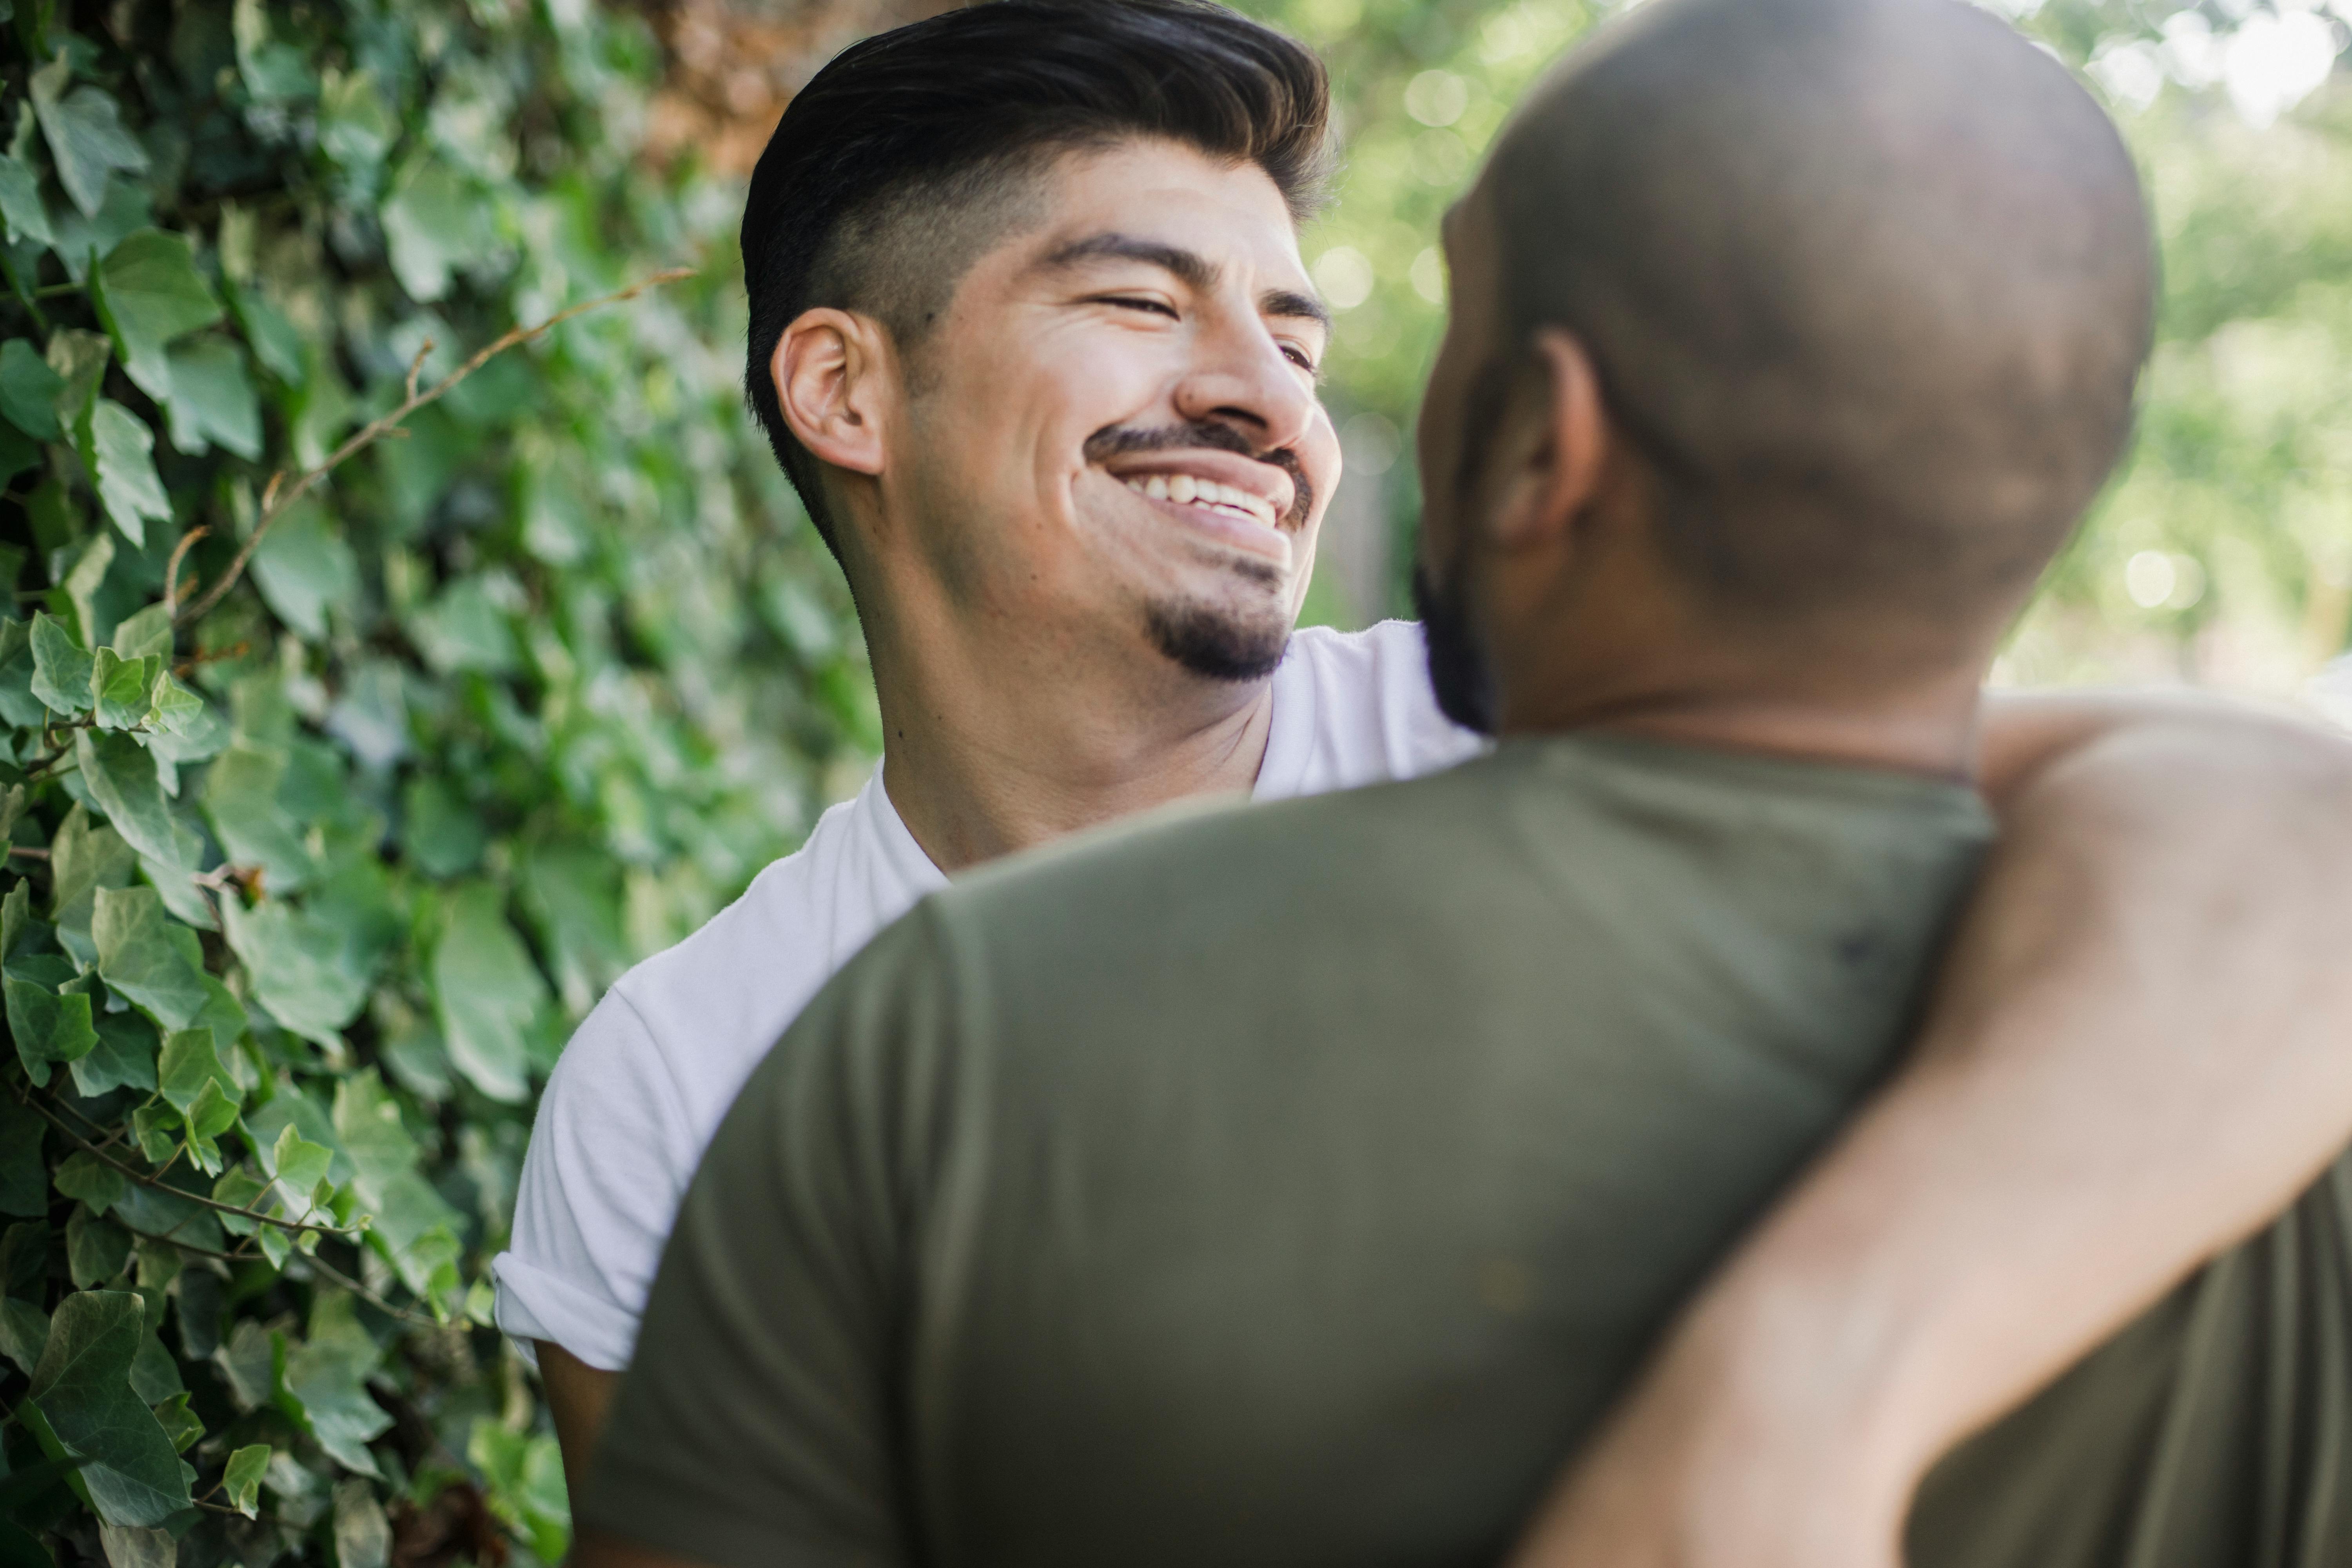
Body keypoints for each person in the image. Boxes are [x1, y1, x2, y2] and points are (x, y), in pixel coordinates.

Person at [499, 0, 2352, 1544]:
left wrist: (1798, 1394)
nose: (1268, 394)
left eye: (1296, 336)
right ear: (845, 391)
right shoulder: (676, 1082)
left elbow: (2285, 837)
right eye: (1143, 304)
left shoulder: (1548, 721)